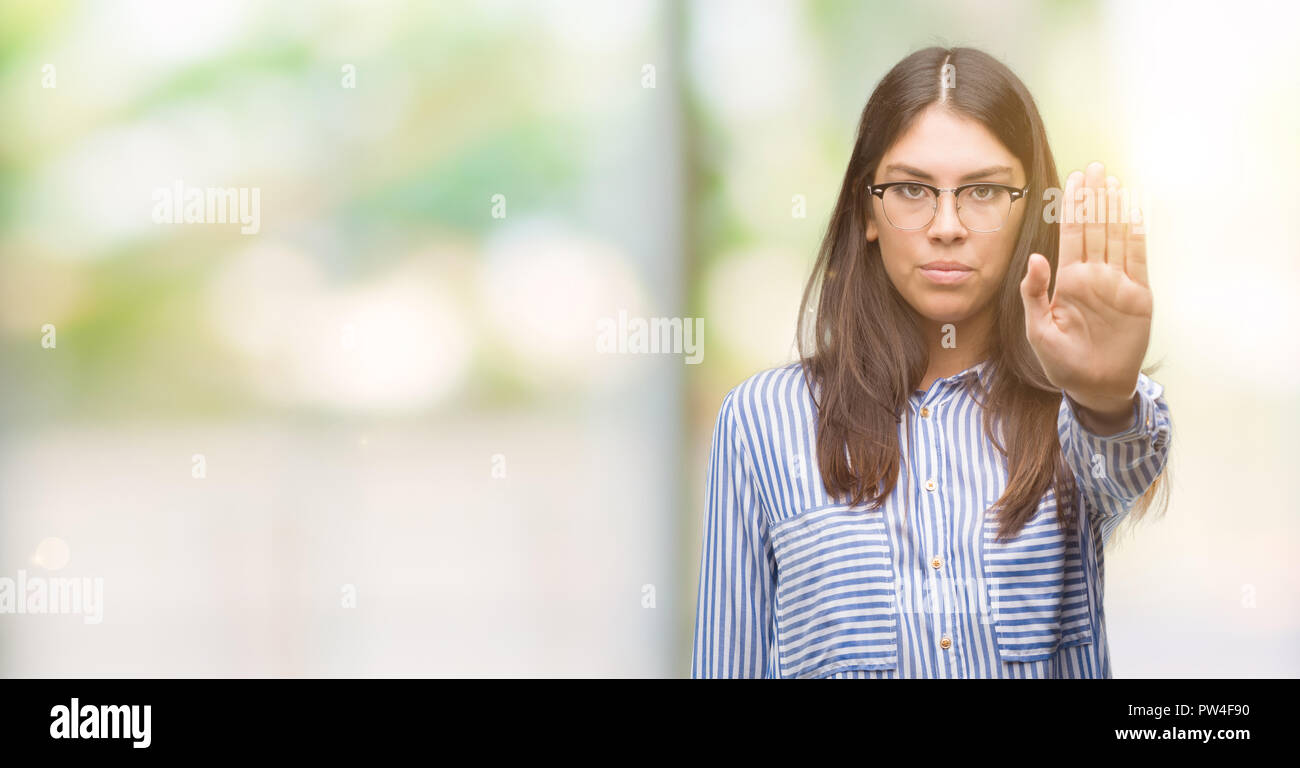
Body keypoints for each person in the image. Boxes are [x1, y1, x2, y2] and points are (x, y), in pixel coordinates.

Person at [689, 46, 1172, 679]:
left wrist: (1105, 395)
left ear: (1029, 209)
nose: (947, 225)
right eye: (913, 189)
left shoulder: (1072, 408)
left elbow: (1126, 466)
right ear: (867, 210)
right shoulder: (759, 420)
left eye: (984, 191)